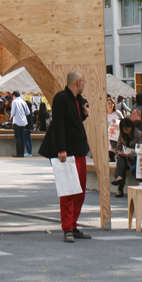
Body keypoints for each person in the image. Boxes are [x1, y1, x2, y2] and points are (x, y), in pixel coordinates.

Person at [38, 71, 91, 242]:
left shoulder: (77, 100)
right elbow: (59, 122)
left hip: (79, 150)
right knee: (69, 190)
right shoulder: (61, 98)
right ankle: (67, 227)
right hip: (68, 152)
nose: (84, 84)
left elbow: (74, 121)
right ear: (77, 82)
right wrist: (61, 148)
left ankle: (73, 224)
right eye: (83, 81)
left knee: (80, 191)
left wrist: (84, 112)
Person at [111, 117, 142, 197]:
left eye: (127, 129)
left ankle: (120, 187)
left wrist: (129, 154)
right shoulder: (121, 135)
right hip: (124, 157)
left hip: (135, 158)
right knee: (121, 159)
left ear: (131, 127)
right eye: (123, 130)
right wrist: (118, 152)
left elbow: (141, 150)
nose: (125, 131)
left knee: (121, 163)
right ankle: (120, 178)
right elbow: (118, 147)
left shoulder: (138, 135)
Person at [10, 90, 31, 157]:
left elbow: (13, 112)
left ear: (14, 95)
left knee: (18, 138)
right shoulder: (23, 102)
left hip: (16, 121)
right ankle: (22, 152)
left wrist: (11, 117)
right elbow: (28, 112)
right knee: (22, 137)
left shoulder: (14, 101)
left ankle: (18, 153)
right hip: (23, 122)